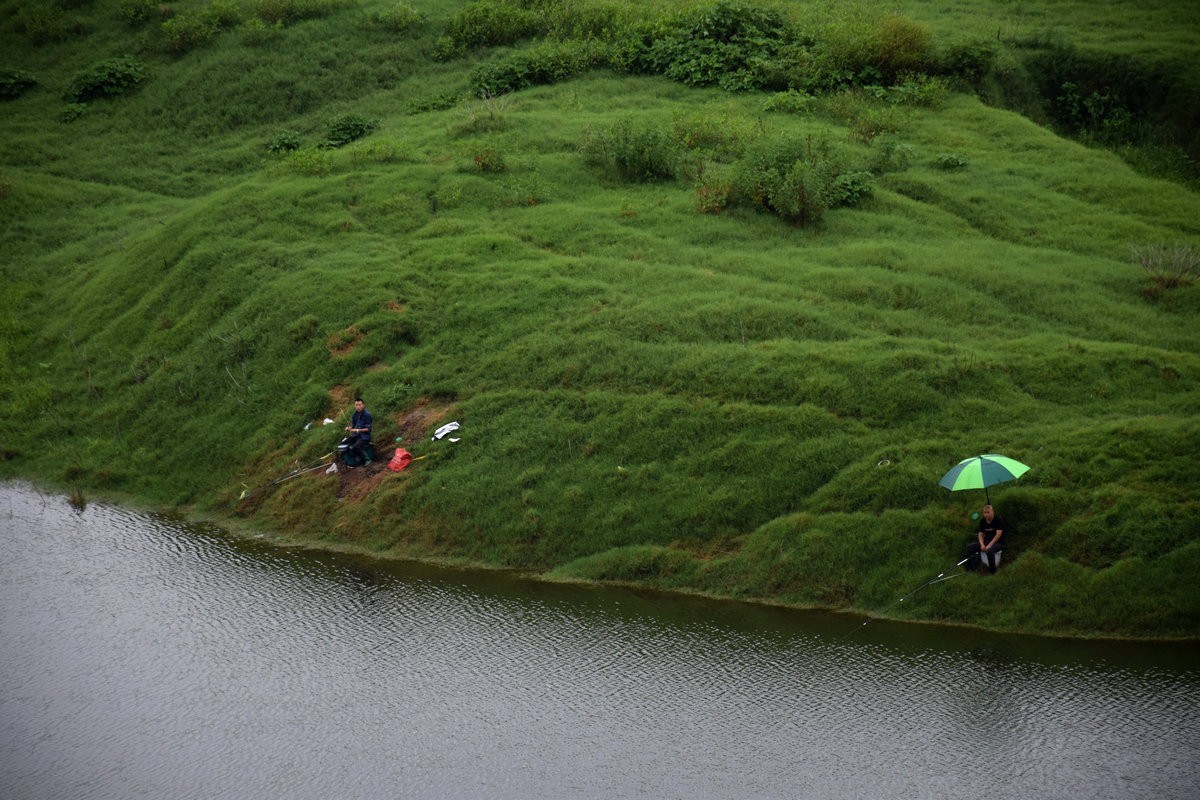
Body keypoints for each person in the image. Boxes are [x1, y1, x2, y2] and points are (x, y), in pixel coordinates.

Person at [966, 504, 1006, 574]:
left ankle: (993, 572)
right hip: (986, 542)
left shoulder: (998, 521)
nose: (986, 514)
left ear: (992, 512)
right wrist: (982, 544)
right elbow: (980, 534)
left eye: (988, 512)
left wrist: (989, 545)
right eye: (985, 512)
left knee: (989, 551)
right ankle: (971, 569)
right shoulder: (982, 521)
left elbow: (998, 535)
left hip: (998, 544)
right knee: (970, 548)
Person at [341, 397, 373, 466]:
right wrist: (349, 428)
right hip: (357, 436)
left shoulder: (367, 415)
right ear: (354, 406)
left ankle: (367, 459)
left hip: (365, 437)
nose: (358, 407)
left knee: (356, 447)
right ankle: (347, 459)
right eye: (356, 405)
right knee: (343, 444)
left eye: (359, 405)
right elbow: (353, 425)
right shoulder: (355, 415)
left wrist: (357, 430)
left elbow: (368, 429)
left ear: (363, 405)